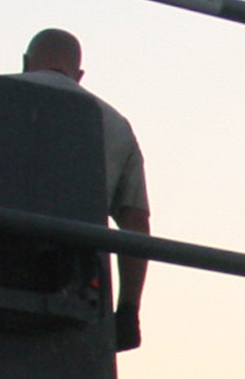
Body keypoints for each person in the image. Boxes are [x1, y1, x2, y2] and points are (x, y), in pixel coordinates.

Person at [14, 28, 151, 350]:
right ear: (79, 75)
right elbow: (136, 224)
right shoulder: (116, 124)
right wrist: (129, 312)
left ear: (25, 63)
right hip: (73, 282)